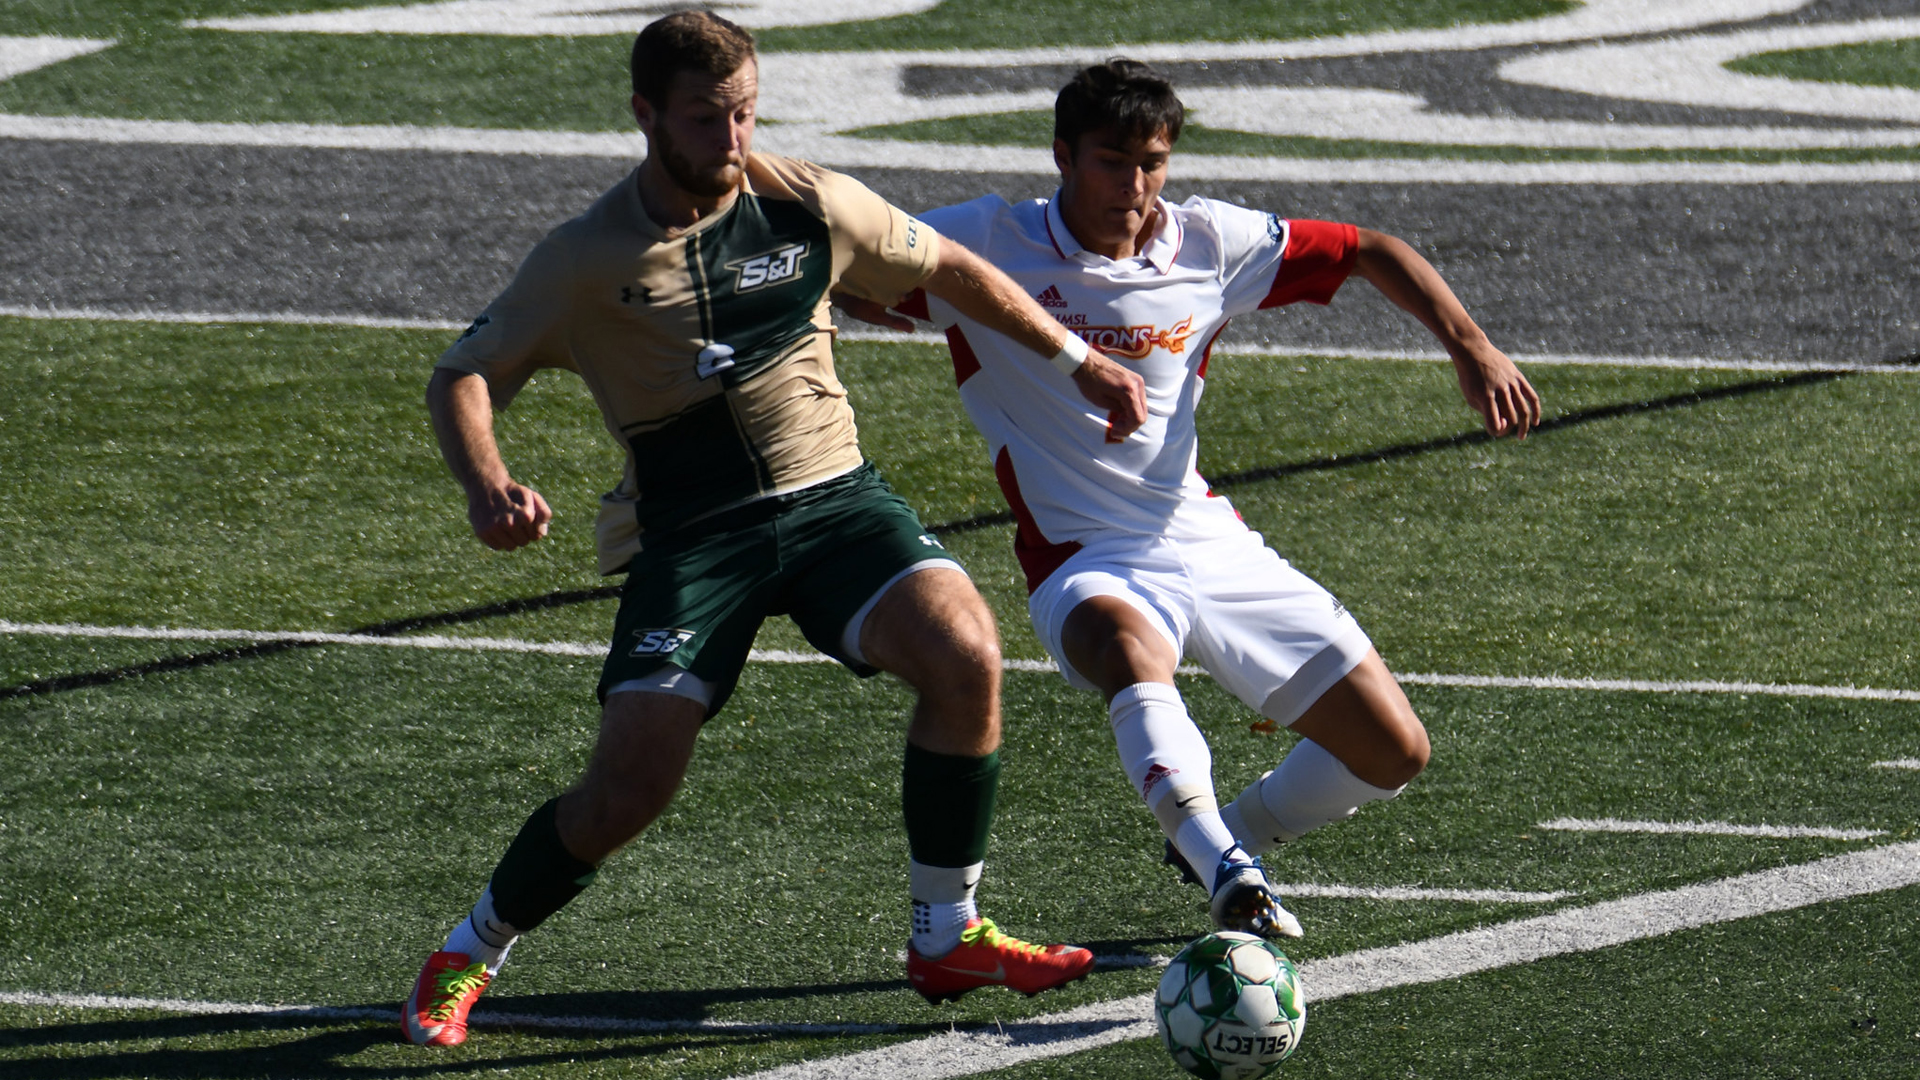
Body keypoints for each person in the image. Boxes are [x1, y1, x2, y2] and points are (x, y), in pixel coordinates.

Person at [403, 13, 1150, 1048]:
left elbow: (947, 270)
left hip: (836, 502)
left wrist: (1081, 360)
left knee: (966, 652)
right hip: (696, 538)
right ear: (645, 116)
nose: (732, 137)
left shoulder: (809, 202)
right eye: (706, 118)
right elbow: (466, 375)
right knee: (630, 786)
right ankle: (470, 949)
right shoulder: (586, 257)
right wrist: (487, 485)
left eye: (746, 112)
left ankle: (947, 932)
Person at [848, 59, 1541, 939]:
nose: (1134, 188)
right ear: (1062, 156)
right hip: (1082, 555)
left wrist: (1471, 347)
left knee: (1393, 751)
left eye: (1153, 162)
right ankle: (1228, 872)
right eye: (1111, 161)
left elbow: (1369, 250)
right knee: (1133, 658)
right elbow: (845, 267)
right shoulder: (984, 242)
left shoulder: (1211, 241)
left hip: (1205, 538)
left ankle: (1227, 836)